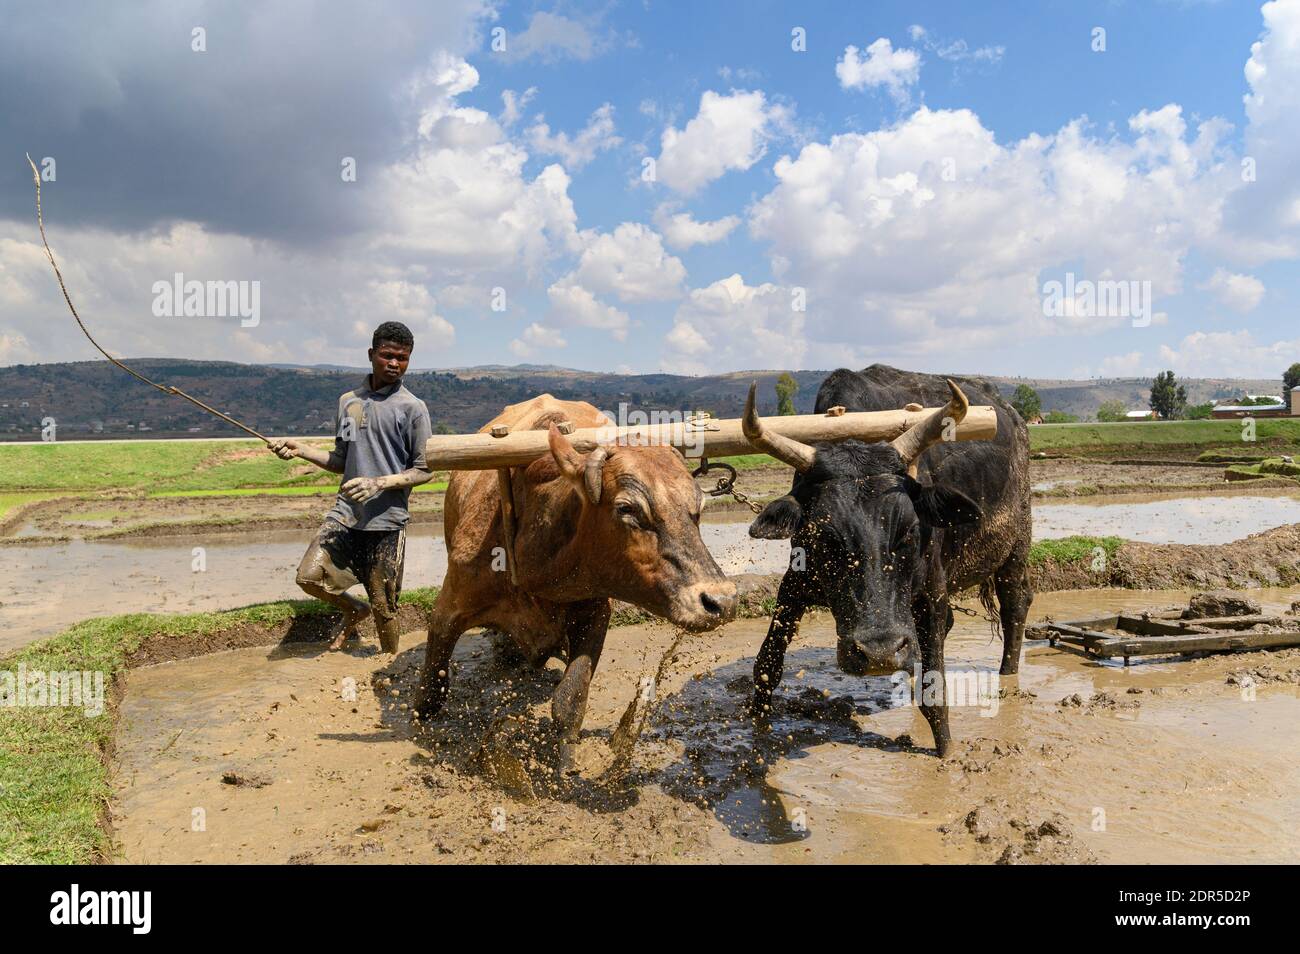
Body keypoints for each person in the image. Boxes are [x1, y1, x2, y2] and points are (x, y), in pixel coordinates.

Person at [268, 321, 433, 653]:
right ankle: (355, 609)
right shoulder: (349, 402)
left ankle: (388, 666)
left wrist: (380, 483)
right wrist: (301, 450)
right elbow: (340, 460)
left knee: (385, 607)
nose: (394, 364)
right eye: (387, 355)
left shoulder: (413, 409)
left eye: (402, 358)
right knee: (308, 576)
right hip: (345, 516)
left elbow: (425, 470)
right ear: (371, 354)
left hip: (387, 522)